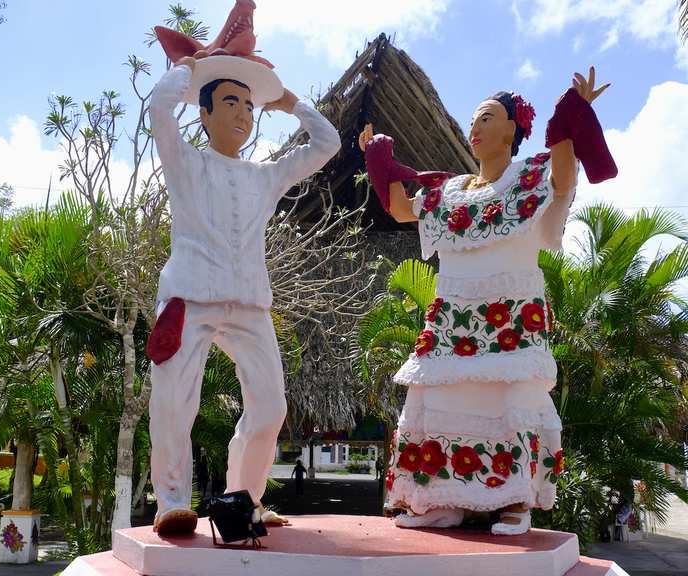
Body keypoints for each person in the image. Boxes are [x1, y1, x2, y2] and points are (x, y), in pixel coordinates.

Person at [360, 67, 615, 536]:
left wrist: (570, 113)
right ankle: (443, 498)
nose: (475, 127)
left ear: (514, 129)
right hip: (453, 320)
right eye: (474, 118)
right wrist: (378, 157)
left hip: (510, 316)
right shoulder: (448, 192)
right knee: (440, 401)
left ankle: (516, 500)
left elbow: (563, 177)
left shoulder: (531, 178)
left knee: (510, 398)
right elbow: (399, 209)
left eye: (487, 117)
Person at [146, 22, 341, 535]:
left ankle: (245, 500)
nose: (243, 113)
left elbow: (327, 144)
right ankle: (170, 502)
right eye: (231, 102)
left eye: (250, 106)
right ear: (204, 113)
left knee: (271, 407)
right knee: (173, 401)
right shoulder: (184, 162)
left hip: (251, 303)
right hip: (189, 297)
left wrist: (293, 103)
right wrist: (187, 70)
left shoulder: (266, 175)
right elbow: (159, 112)